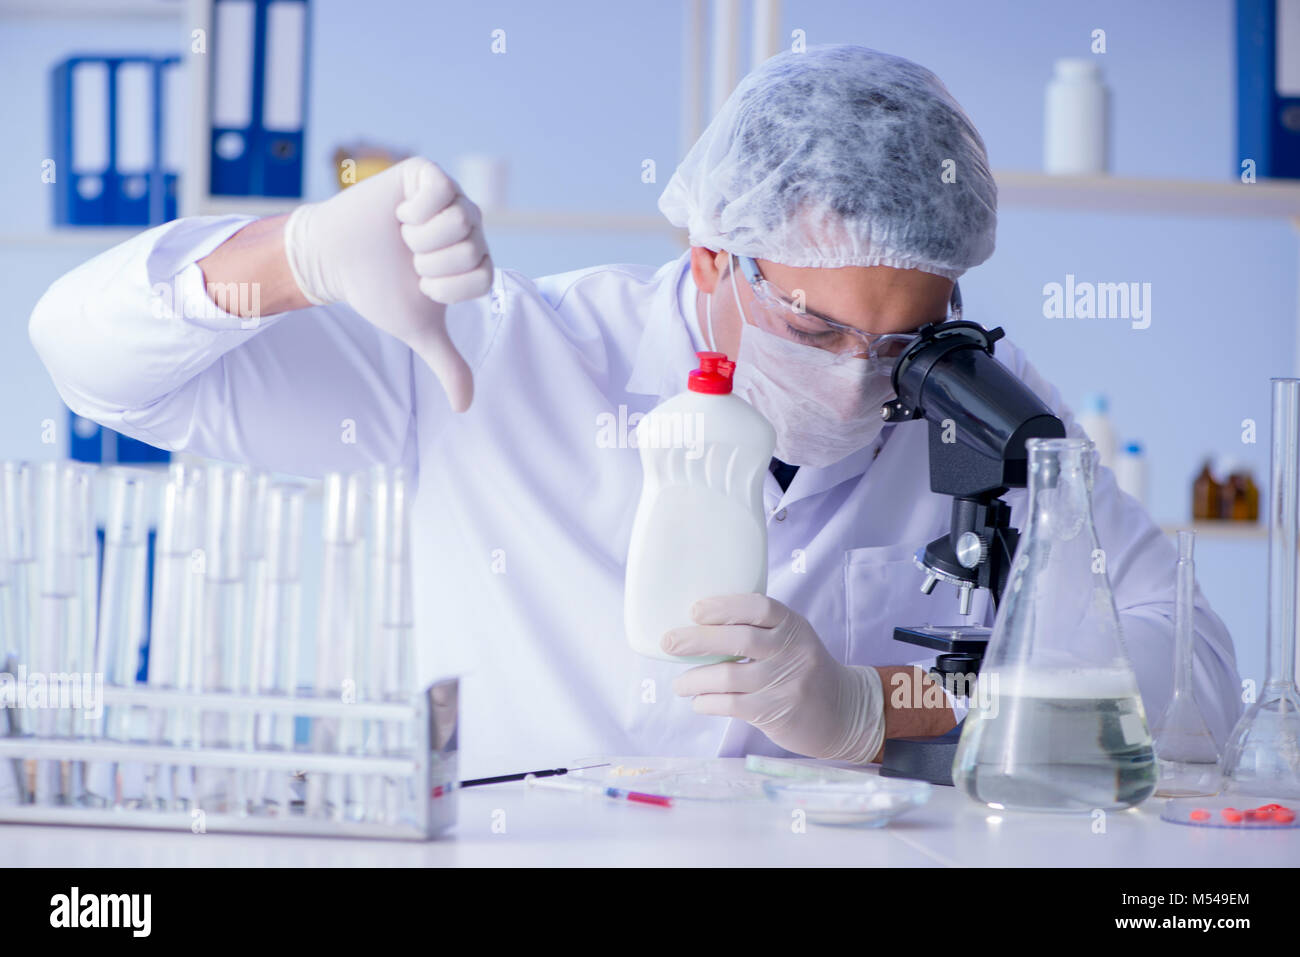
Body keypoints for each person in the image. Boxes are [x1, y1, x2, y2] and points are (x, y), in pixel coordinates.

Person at [29, 46, 1240, 777]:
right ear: (711, 254)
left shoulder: (979, 407)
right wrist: (291, 255)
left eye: (903, 342)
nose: (859, 380)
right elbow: (89, 358)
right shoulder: (498, 353)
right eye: (815, 328)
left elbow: (1192, 677)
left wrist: (882, 708)